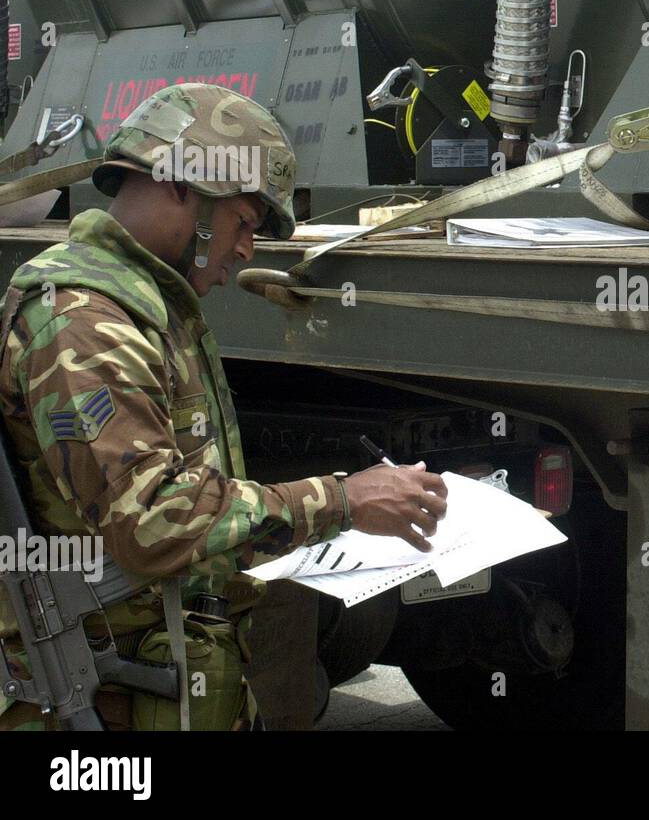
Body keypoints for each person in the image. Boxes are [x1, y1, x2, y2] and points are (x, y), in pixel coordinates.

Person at [0, 83, 447, 730]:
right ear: (183, 184)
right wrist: (344, 501)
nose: (246, 250)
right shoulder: (84, 321)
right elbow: (152, 520)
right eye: (245, 221)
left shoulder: (147, 307)